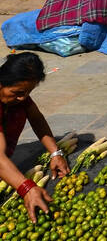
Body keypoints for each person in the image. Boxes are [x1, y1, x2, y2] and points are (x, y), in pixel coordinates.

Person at [0, 52, 70, 222]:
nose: (23, 97)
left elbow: (37, 119)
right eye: (17, 92)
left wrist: (55, 152)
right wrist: (27, 188)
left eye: (27, 92)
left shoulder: (19, 98)